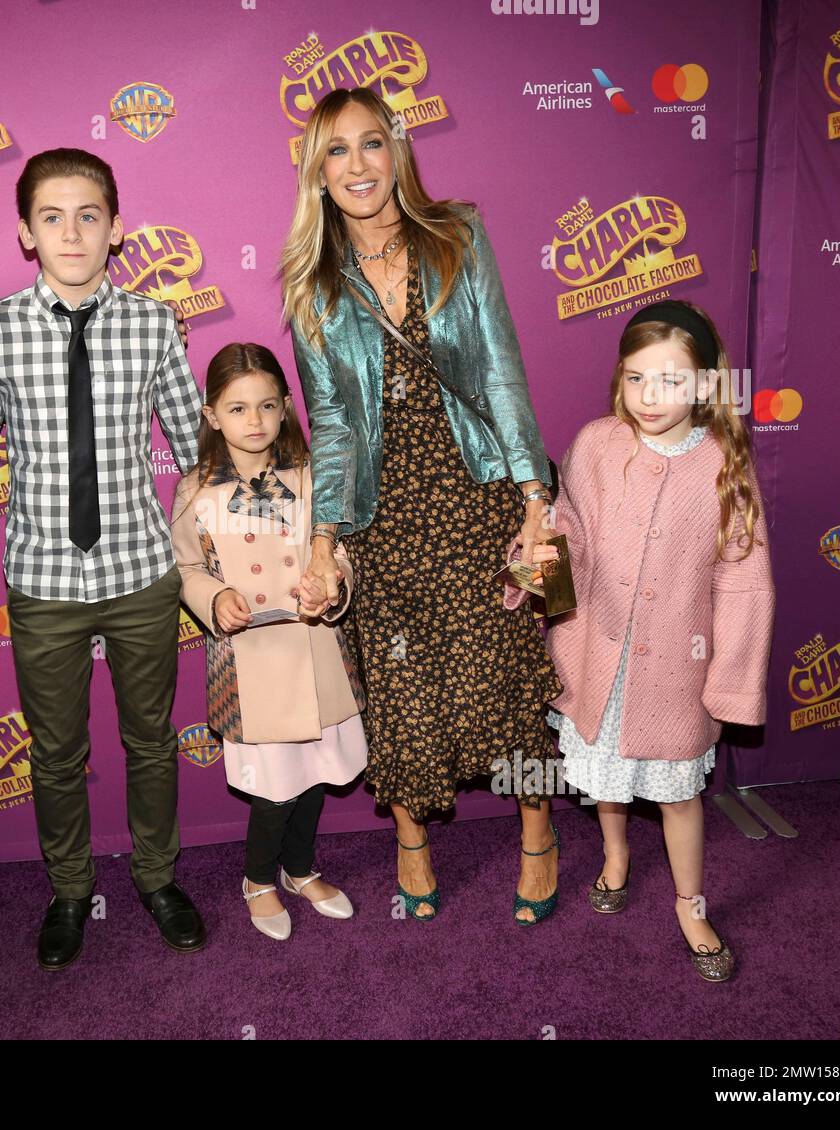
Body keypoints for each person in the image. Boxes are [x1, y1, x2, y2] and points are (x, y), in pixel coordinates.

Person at [280, 87, 562, 923]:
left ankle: (540, 835)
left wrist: (533, 497)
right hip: (383, 511)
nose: (358, 165)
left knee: (508, 677)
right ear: (316, 173)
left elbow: (502, 368)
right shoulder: (313, 284)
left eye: (372, 144)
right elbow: (329, 422)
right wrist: (325, 539)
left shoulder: (455, 238)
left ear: (397, 152)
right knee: (401, 691)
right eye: (337, 151)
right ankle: (412, 841)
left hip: (473, 493)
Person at [0, 148, 206, 971]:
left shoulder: (153, 322)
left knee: (151, 742)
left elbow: (194, 444)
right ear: (26, 233)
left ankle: (157, 878)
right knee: (56, 752)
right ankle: (69, 889)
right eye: (53, 217)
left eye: (90, 215)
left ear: (117, 229)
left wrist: (212, 526)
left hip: (142, 576)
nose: (73, 232)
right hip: (42, 583)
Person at [521, 299, 774, 980]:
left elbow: (745, 582)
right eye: (635, 378)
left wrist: (730, 680)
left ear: (705, 383)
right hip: (598, 653)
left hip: (676, 673)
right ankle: (615, 857)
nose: (649, 396)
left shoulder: (725, 463)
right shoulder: (597, 442)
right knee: (605, 777)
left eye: (669, 379)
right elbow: (570, 526)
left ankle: (691, 904)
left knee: (677, 793)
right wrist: (541, 558)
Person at [170, 343, 367, 940]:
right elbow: (186, 570)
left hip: (316, 649)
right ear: (211, 416)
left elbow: (343, 553)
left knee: (314, 774)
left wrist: (331, 587)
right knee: (273, 788)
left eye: (266, 406)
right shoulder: (195, 492)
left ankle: (301, 869)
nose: (253, 421)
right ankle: (258, 879)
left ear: (285, 409)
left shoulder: (313, 480)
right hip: (252, 662)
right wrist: (212, 600)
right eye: (236, 409)